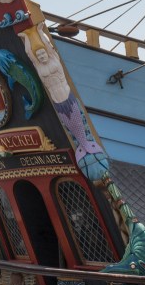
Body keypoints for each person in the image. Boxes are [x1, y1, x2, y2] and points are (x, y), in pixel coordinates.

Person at [19, 25, 109, 180]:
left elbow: (48, 46)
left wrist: (40, 32)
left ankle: (87, 146)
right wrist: (26, 38)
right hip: (57, 102)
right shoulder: (39, 65)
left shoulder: (53, 58)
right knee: (69, 126)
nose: (41, 56)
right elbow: (29, 54)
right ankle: (83, 146)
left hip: (67, 97)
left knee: (78, 122)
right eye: (39, 55)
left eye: (42, 54)